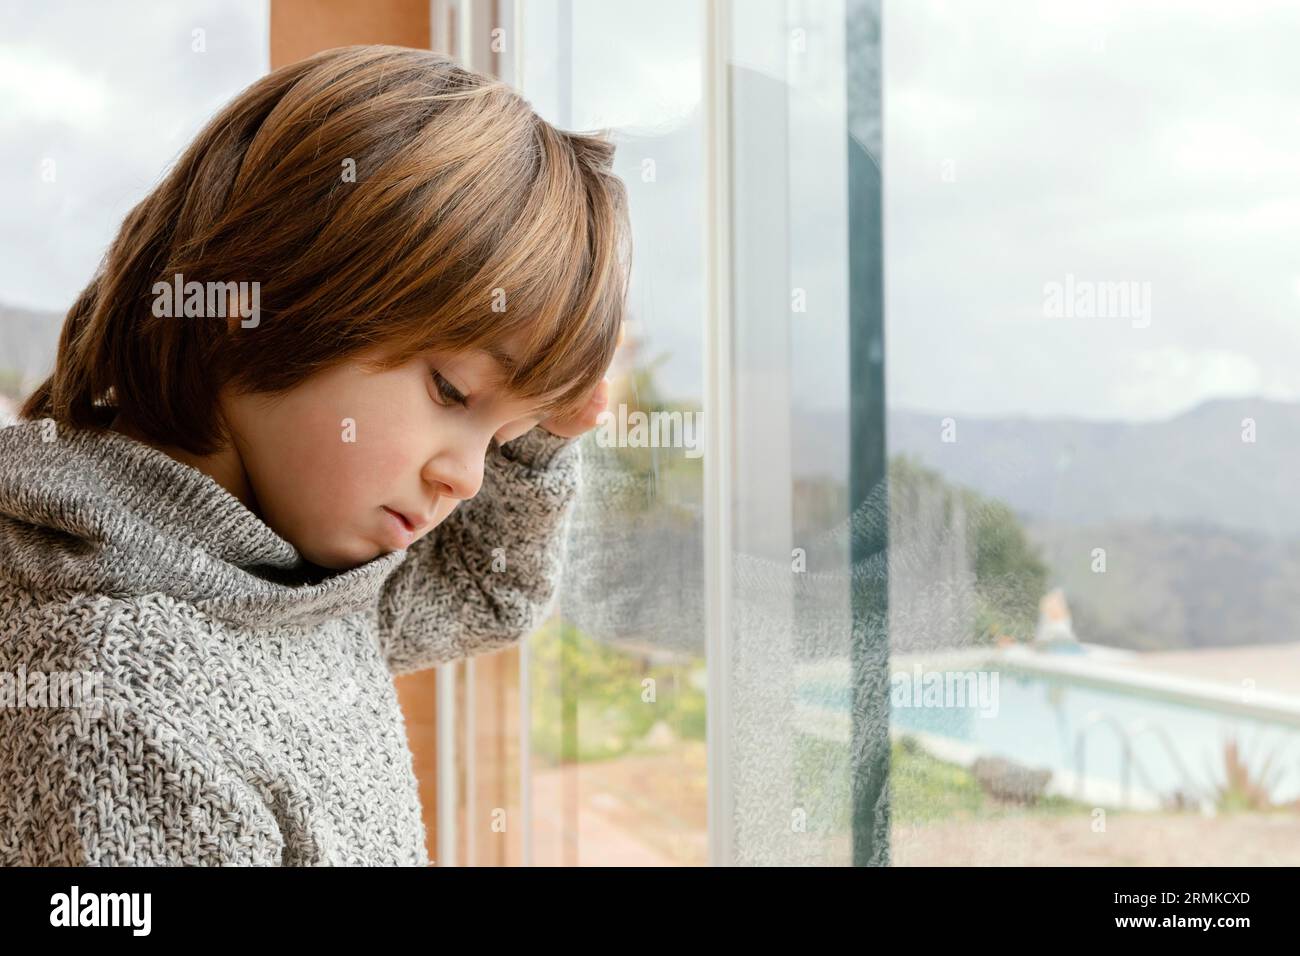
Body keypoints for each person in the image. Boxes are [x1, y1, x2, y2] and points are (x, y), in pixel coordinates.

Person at [0, 44, 630, 865]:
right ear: (251, 298)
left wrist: (542, 434)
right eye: (450, 390)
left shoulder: (284, 578)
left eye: (502, 442)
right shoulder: (120, 712)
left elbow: (486, 587)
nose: (468, 478)